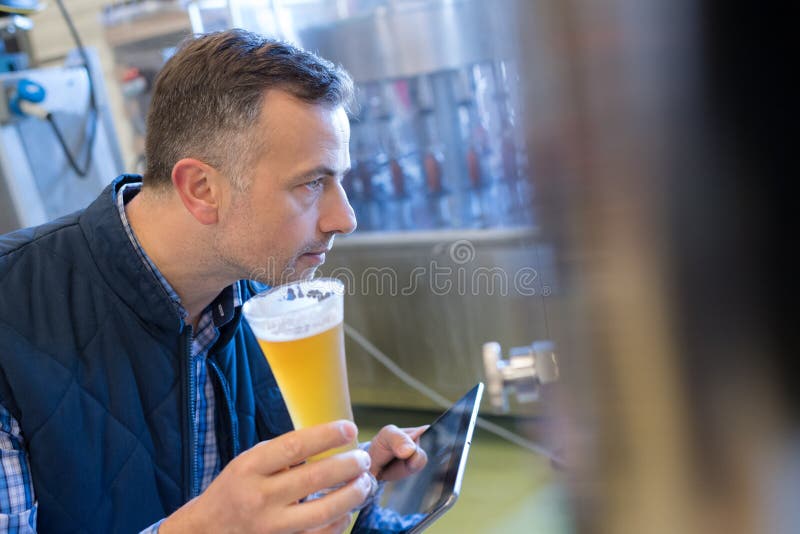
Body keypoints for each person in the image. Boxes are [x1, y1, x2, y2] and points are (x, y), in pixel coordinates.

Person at [0, 29, 427, 533]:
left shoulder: (261, 296)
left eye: (340, 180)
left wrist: (345, 488)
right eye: (312, 183)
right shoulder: (12, 315)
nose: (345, 218)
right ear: (202, 189)